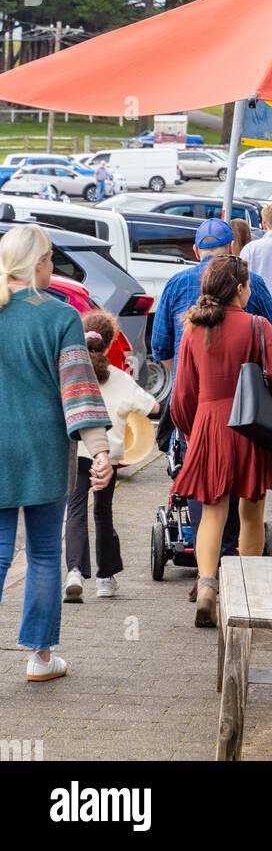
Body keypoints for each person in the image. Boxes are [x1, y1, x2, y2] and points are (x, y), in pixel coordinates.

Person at [0, 225, 112, 682]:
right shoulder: (61, 317)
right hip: (44, 449)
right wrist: (99, 449)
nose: (52, 265)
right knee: (45, 553)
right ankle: (40, 658)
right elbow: (79, 391)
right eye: (49, 258)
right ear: (36, 264)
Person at [151, 218, 272, 585]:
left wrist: (191, 387)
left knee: (199, 484)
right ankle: (236, 567)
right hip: (248, 413)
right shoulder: (250, 290)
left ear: (196, 251)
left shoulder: (177, 286)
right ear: (234, 250)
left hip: (194, 405)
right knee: (247, 493)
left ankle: (206, 577)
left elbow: (161, 349)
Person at [170, 256, 272, 627]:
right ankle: (246, 589)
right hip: (251, 427)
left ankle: (207, 587)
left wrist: (194, 431)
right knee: (252, 510)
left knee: (212, 511)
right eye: (249, 286)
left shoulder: (193, 329)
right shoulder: (258, 326)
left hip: (209, 426)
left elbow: (181, 397)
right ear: (240, 288)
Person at [64, 311, 159, 603]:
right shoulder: (120, 379)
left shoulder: (72, 375)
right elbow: (153, 407)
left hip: (76, 451)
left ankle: (75, 571)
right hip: (110, 455)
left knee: (76, 509)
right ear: (110, 343)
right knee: (103, 512)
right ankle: (105, 577)